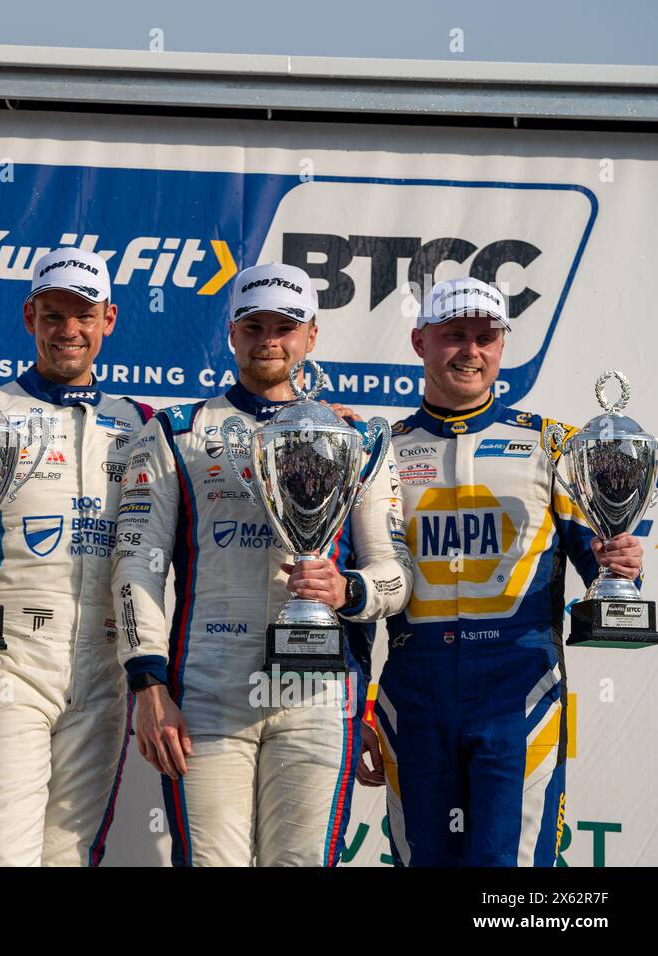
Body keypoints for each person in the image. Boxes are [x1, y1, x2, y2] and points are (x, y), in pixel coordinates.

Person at [110, 262, 412, 866]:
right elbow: (135, 566)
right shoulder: (178, 432)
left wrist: (346, 589)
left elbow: (395, 574)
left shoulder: (358, 439)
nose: (269, 339)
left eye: (285, 325)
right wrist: (147, 683)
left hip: (320, 694)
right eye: (254, 326)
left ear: (311, 336)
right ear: (232, 332)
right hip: (209, 691)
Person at [359, 277, 642, 866]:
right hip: (415, 689)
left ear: (503, 346)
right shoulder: (380, 448)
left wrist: (621, 571)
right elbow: (364, 583)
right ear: (419, 342)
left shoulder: (554, 446)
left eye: (486, 337)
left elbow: (600, 565)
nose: (471, 351)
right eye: (453, 336)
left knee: (506, 873)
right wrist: (360, 704)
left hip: (521, 688)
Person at [0, 247, 154, 866]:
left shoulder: (143, 425)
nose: (69, 329)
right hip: (3, 660)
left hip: (103, 668)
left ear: (110, 320)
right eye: (54, 314)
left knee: (71, 856)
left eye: (84, 315)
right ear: (29, 317)